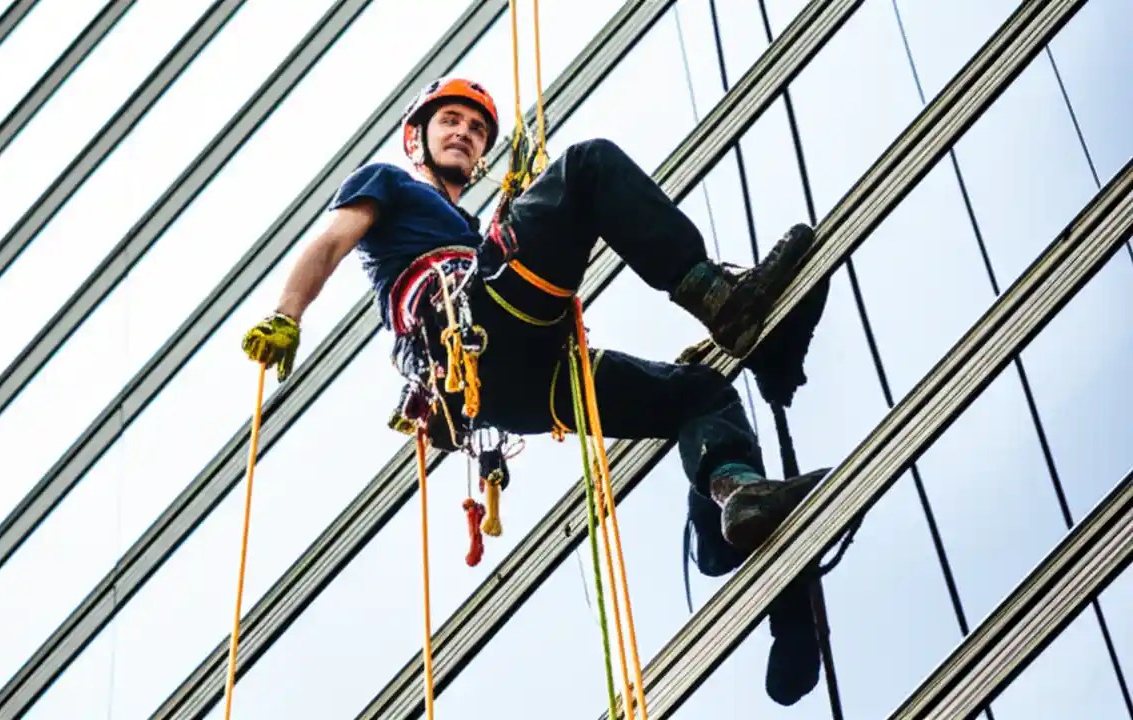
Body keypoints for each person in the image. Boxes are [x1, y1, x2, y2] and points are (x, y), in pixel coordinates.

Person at [241, 77, 832, 705]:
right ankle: (717, 297)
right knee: (588, 165)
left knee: (700, 392)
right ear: (418, 135)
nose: (464, 132)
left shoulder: (468, 229)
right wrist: (287, 312)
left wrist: (518, 210)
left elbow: (509, 245)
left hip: (519, 378)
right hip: (471, 329)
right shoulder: (388, 183)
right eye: (451, 121)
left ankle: (732, 499)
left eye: (475, 128)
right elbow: (331, 243)